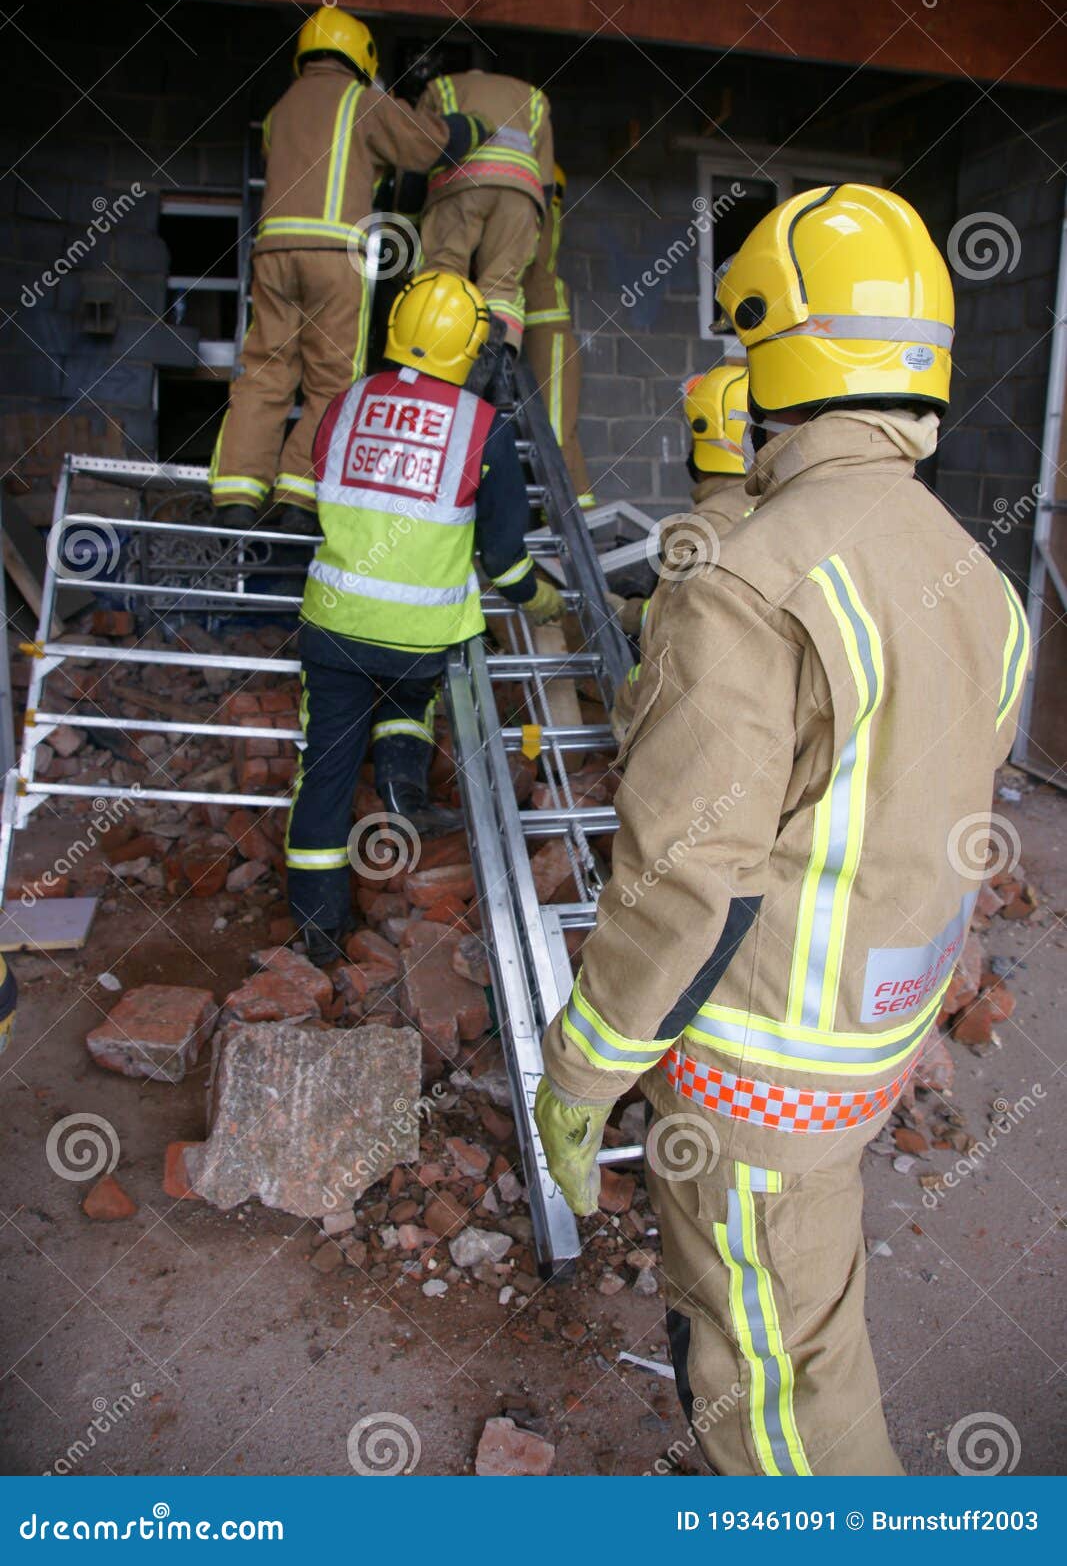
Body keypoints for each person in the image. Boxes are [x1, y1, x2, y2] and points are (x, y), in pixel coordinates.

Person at [534, 183, 1030, 1475]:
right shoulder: (981, 582)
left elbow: (685, 874)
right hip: (870, 1038)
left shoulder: (749, 577)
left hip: (756, 1065)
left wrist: (581, 1071)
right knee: (806, 1326)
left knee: (773, 1392)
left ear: (774, 351)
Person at [285, 268, 564, 964]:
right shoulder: (481, 426)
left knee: (324, 773)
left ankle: (317, 928)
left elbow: (326, 486)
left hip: (335, 625)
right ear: (469, 348)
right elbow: (502, 556)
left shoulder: (346, 404)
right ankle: (401, 788)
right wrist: (540, 599)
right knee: (411, 696)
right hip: (418, 638)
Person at [209, 10, 491, 533]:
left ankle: (237, 494)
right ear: (361, 54)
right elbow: (424, 145)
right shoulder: (361, 101)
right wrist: (469, 128)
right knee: (331, 378)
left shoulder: (279, 111)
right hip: (335, 256)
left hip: (272, 254)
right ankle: (299, 497)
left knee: (265, 372)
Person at [614, 363, 753, 738]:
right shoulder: (784, 508)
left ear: (703, 438)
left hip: (703, 730)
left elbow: (669, 652)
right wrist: (633, 613)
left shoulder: (701, 532)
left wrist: (625, 712)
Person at [414, 69, 553, 399]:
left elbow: (416, 156)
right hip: (521, 194)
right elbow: (547, 184)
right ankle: (497, 371)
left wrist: (408, 218)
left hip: (460, 185)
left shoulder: (440, 88)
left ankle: (434, 366)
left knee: (445, 273)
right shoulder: (534, 98)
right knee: (502, 284)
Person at [522, 164, 594, 504]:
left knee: (555, 435)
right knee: (557, 434)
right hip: (538, 327)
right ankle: (577, 514)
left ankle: (571, 514)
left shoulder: (538, 219)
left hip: (546, 327)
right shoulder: (536, 215)